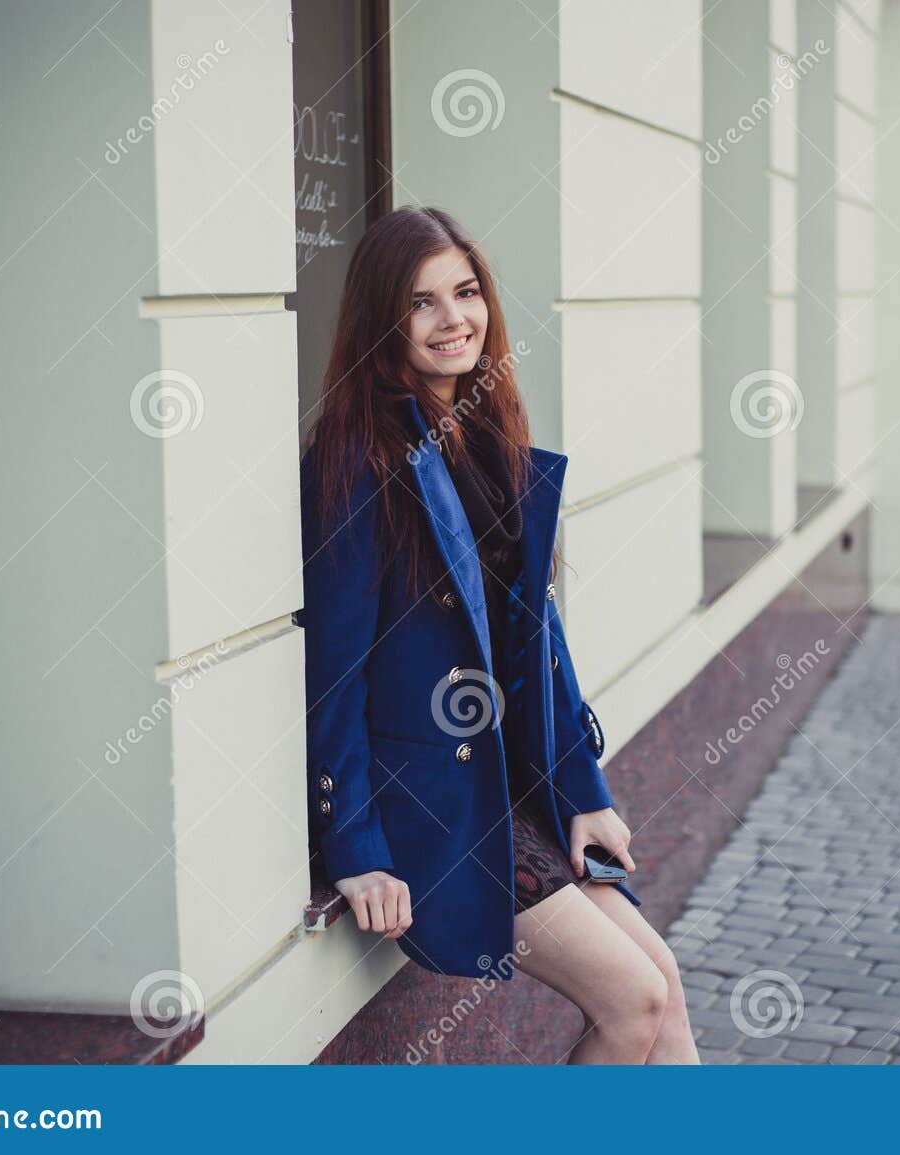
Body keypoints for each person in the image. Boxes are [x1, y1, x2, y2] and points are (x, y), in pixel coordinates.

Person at [300, 205, 699, 1064]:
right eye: (423, 302)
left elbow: (537, 639)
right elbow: (332, 674)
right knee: (633, 1000)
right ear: (383, 319)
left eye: (467, 292)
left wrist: (584, 789)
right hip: (435, 803)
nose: (455, 320)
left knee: (662, 985)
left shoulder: (485, 433)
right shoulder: (354, 458)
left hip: (515, 789)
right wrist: (355, 848)